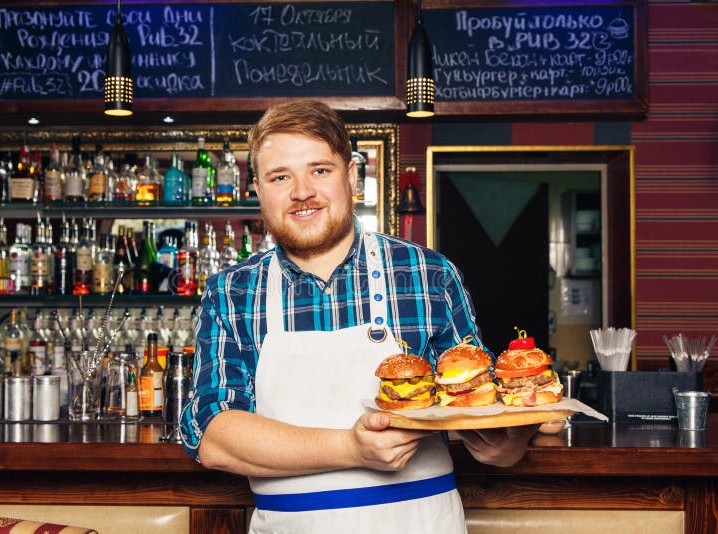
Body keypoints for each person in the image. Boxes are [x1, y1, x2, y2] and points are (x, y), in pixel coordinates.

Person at [181, 100, 537, 533]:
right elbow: (214, 435)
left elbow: (478, 412)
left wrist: (512, 435)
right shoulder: (232, 293)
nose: (301, 192)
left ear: (352, 177)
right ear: (258, 190)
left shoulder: (428, 274)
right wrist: (351, 447)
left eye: (320, 170)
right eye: (280, 177)